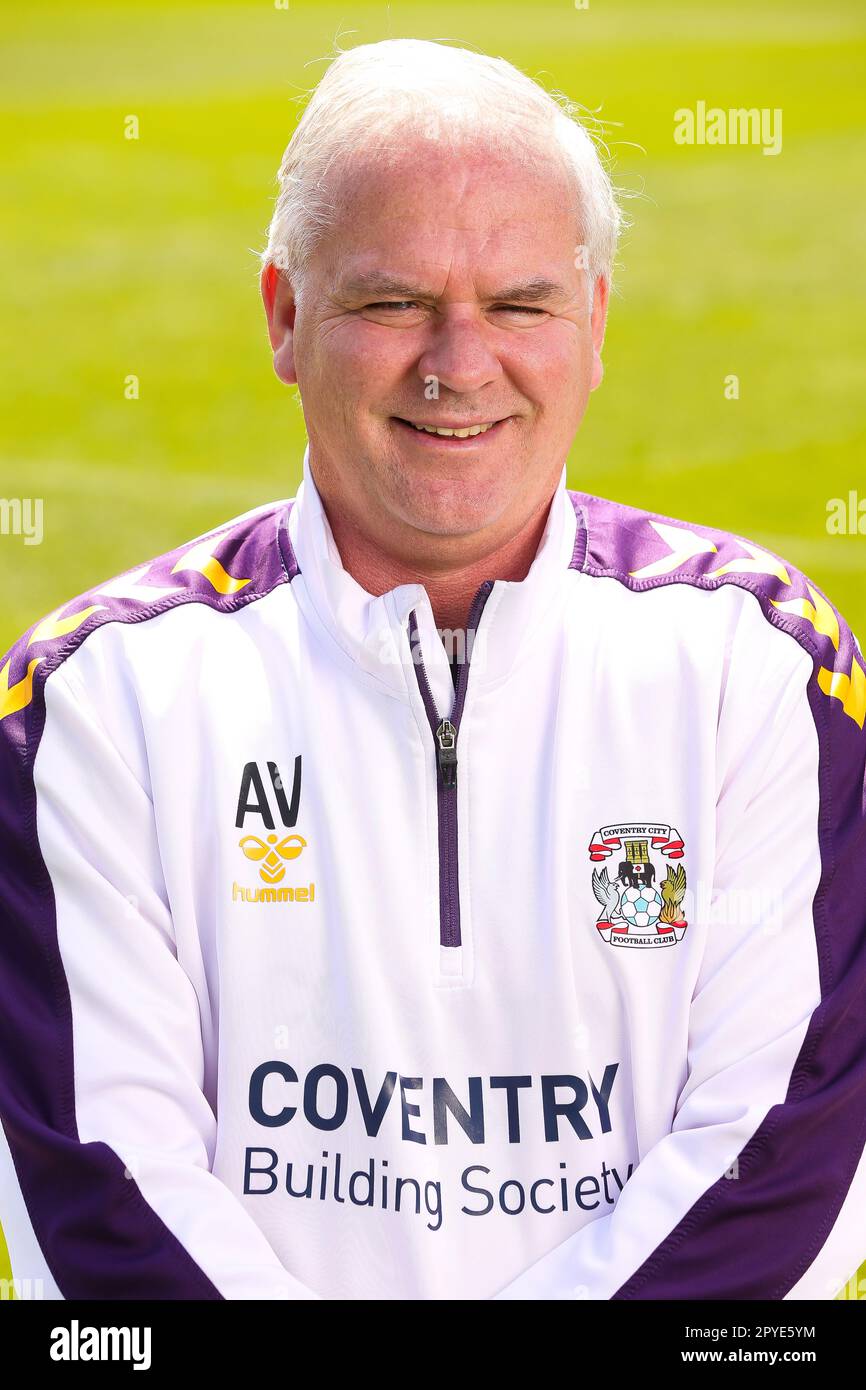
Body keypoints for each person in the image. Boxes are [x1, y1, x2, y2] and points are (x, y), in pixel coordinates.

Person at [1, 37, 864, 1302]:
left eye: (519, 303)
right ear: (285, 318)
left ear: (595, 321)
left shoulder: (760, 668)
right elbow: (97, 1194)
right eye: (393, 300)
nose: (458, 363)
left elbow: (791, 1162)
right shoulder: (88, 703)